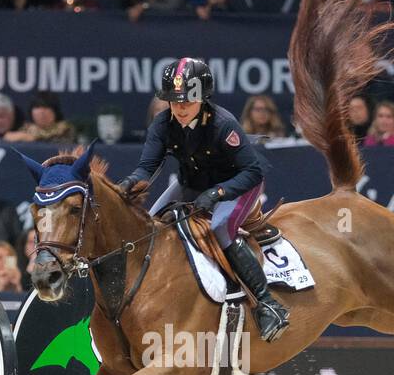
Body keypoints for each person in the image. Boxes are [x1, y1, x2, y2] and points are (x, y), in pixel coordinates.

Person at [115, 57, 288, 341]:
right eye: (174, 101)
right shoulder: (162, 124)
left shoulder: (223, 124)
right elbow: (147, 168)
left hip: (237, 184)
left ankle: (268, 304)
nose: (180, 108)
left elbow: (252, 171)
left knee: (220, 227)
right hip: (193, 184)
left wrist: (217, 193)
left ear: (203, 99)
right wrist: (126, 186)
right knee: (151, 225)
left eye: (188, 101)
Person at [5, 91, 75, 142]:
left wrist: (33, 139)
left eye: (46, 107)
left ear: (55, 111)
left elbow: (62, 146)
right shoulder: (26, 129)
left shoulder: (65, 129)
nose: (42, 112)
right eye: (37, 107)